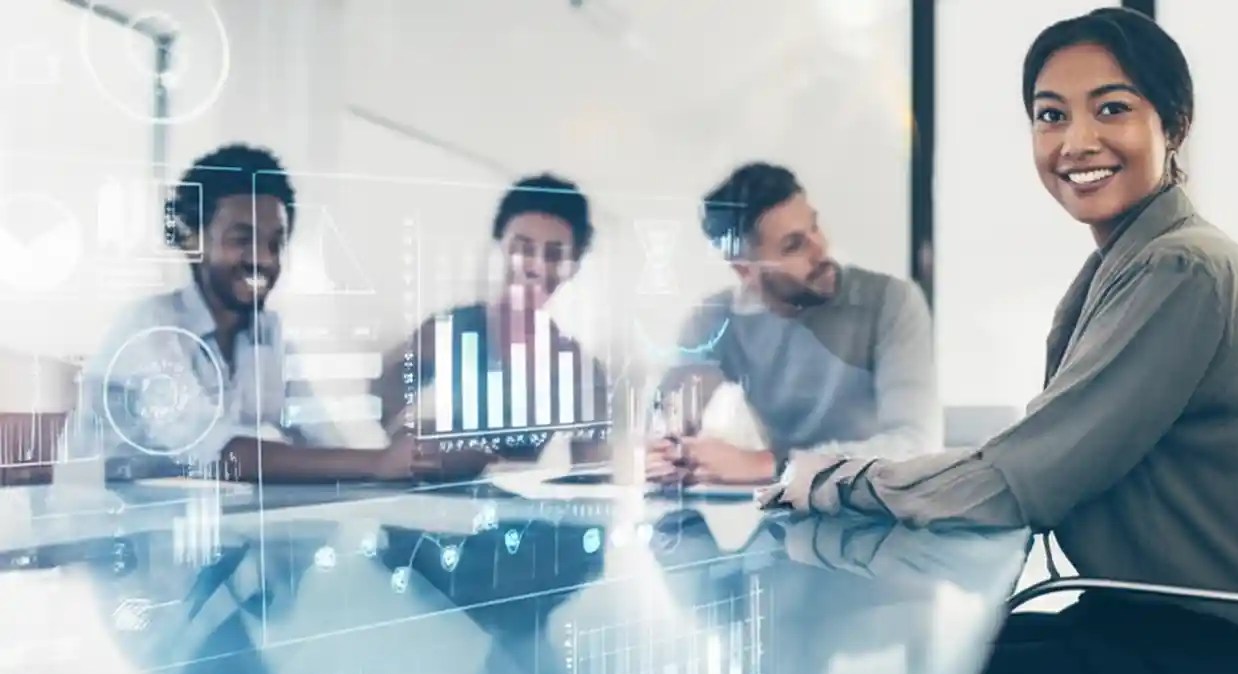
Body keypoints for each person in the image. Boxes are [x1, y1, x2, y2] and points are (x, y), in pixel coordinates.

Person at [758, 8, 1238, 674]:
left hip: (1200, 656)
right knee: (937, 649)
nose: (1077, 141)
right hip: (1136, 624)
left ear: (1174, 122)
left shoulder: (1182, 268)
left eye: (1112, 109)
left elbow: (1026, 475)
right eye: (1050, 115)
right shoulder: (1134, 261)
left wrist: (833, 481)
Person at [75, 144, 421, 482]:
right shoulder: (148, 327)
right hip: (112, 531)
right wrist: (377, 463)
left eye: (275, 243)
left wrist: (405, 456)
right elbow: (215, 453)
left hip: (201, 527)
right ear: (192, 239)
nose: (265, 260)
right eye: (243, 240)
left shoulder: (267, 332)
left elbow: (323, 437)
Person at [645, 162, 941, 485]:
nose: (821, 249)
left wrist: (772, 464)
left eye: (814, 227)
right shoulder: (717, 319)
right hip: (784, 516)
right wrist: (673, 453)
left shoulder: (891, 302)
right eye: (794, 245)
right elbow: (663, 427)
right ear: (746, 271)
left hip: (877, 511)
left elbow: (916, 446)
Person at [373, 173, 609, 478]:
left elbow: (593, 475)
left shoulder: (581, 368)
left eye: (554, 255)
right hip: (427, 507)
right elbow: (375, 406)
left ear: (573, 266)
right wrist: (415, 441)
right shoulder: (446, 331)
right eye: (523, 248)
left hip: (517, 514)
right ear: (501, 247)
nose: (536, 267)